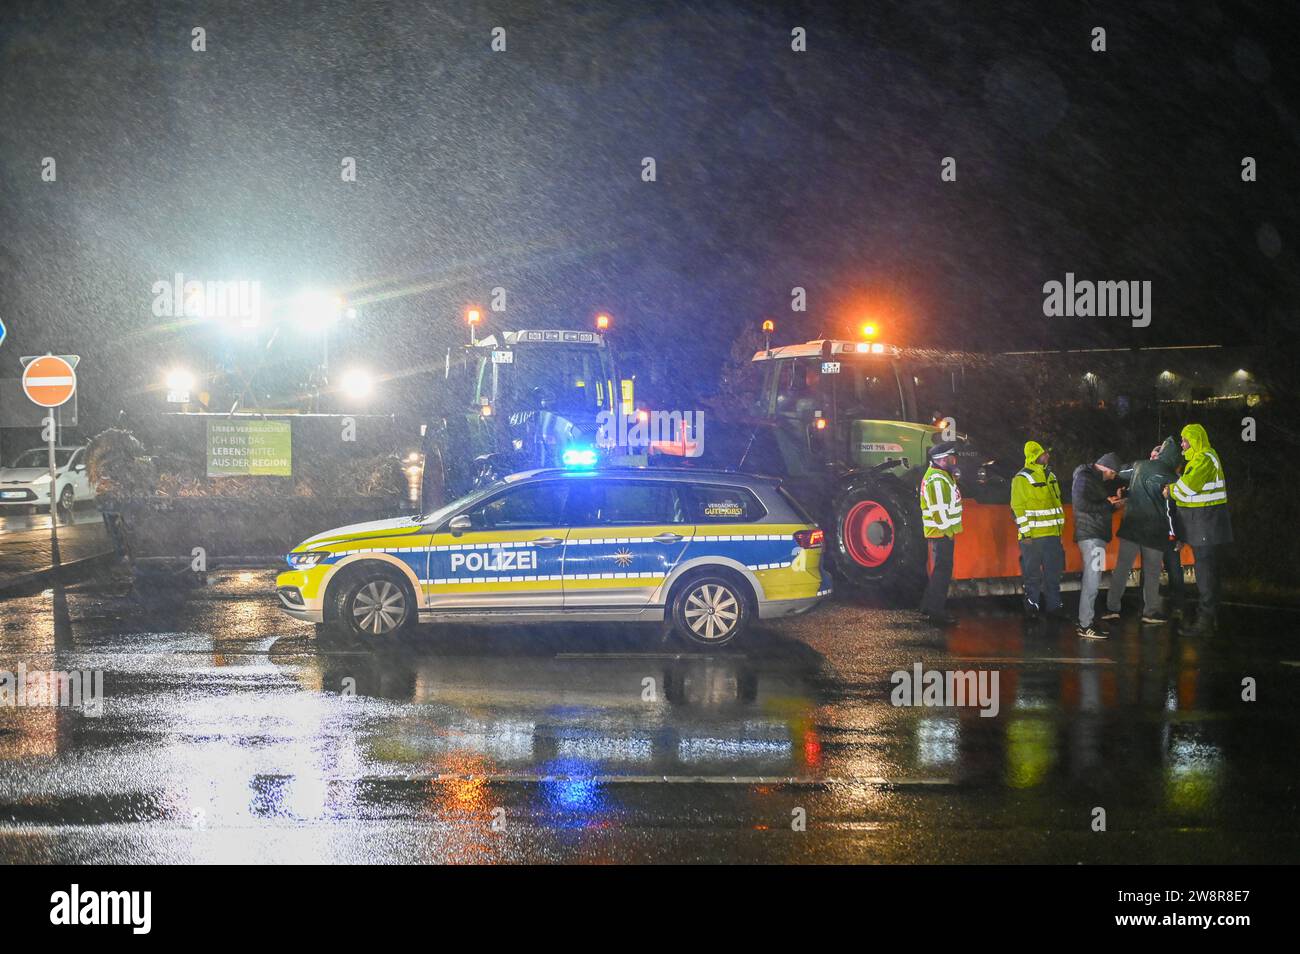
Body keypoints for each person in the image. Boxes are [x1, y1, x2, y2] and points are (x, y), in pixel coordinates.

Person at [1102, 438, 1180, 625]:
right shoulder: (1172, 477)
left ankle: (1112, 608)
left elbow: (1120, 472)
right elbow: (1169, 509)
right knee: (1152, 571)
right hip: (1154, 531)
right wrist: (1173, 534)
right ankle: (1150, 611)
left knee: (1122, 568)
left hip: (1131, 527)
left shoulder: (1139, 466)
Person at [1169, 423, 1232, 636]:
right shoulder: (1203, 458)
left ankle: (1205, 622)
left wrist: (1170, 490)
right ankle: (1210, 618)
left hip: (1205, 524)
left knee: (1205, 573)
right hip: (1205, 524)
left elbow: (1186, 488)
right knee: (1208, 571)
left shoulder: (1204, 458)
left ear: (1195, 440)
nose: (1182, 445)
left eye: (1185, 441)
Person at [1011, 440, 1066, 619]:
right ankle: (1032, 608)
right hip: (1033, 538)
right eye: (1044, 453)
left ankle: (1054, 607)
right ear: (1036, 456)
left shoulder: (1051, 476)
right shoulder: (1022, 478)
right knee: (1032, 575)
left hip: (1052, 536)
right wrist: (1026, 534)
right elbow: (1017, 508)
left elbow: (1056, 505)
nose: (1047, 456)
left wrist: (1059, 531)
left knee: (1053, 574)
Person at [1071, 452, 1123, 639]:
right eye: (1113, 473)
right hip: (1092, 536)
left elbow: (1092, 503)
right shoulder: (1085, 477)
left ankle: (1086, 621)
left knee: (1093, 578)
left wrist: (1111, 504)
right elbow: (1080, 503)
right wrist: (1106, 504)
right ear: (1108, 468)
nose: (1113, 477)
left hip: (1095, 535)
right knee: (1092, 579)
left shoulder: (1090, 478)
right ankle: (1085, 624)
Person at [919, 442, 962, 625]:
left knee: (939, 572)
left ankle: (928, 606)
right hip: (941, 533)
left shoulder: (941, 475)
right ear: (943, 460)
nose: (955, 460)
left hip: (940, 532)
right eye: (952, 458)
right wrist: (948, 531)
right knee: (942, 573)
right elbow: (939, 512)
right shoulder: (937, 480)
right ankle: (937, 613)